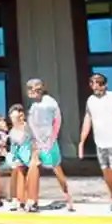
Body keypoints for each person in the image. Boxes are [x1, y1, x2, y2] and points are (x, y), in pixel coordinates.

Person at [78, 72, 112, 213]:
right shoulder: (90, 101)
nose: (96, 86)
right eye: (93, 83)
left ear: (105, 85)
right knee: (105, 171)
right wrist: (81, 142)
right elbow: (87, 120)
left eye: (99, 83)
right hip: (100, 142)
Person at [25, 78, 74, 213]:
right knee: (33, 168)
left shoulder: (49, 103)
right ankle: (32, 200)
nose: (33, 91)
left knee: (56, 169)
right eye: (30, 88)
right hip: (36, 143)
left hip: (49, 142)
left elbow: (57, 122)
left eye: (36, 88)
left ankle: (68, 198)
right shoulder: (34, 106)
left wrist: (52, 140)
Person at [5, 104, 33, 211]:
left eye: (18, 117)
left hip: (27, 155)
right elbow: (13, 147)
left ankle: (24, 200)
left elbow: (28, 143)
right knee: (16, 172)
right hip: (17, 157)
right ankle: (16, 199)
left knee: (26, 176)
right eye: (13, 118)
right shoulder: (13, 131)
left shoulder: (27, 128)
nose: (15, 120)